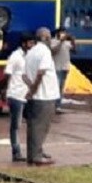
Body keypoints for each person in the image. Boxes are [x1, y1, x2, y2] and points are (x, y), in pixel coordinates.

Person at [24, 27, 60, 165]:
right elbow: (41, 73)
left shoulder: (31, 52)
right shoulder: (44, 52)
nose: (51, 39)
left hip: (35, 97)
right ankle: (37, 156)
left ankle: (32, 154)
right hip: (45, 96)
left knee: (33, 126)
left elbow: (24, 75)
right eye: (50, 36)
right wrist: (33, 90)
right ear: (44, 37)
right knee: (41, 127)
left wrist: (30, 90)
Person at [4, 33, 35, 162]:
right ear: (23, 44)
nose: (32, 45)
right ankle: (16, 152)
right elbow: (8, 74)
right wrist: (7, 91)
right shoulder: (15, 56)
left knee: (33, 123)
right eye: (30, 43)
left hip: (28, 95)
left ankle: (34, 150)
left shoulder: (31, 56)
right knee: (16, 125)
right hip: (16, 95)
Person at [49, 27, 76, 113]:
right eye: (61, 32)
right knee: (56, 87)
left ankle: (58, 106)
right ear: (58, 33)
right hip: (56, 68)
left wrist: (72, 40)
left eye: (64, 32)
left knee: (61, 88)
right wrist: (60, 41)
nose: (63, 34)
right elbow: (53, 51)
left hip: (65, 68)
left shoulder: (67, 43)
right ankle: (53, 105)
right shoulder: (53, 41)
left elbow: (74, 50)